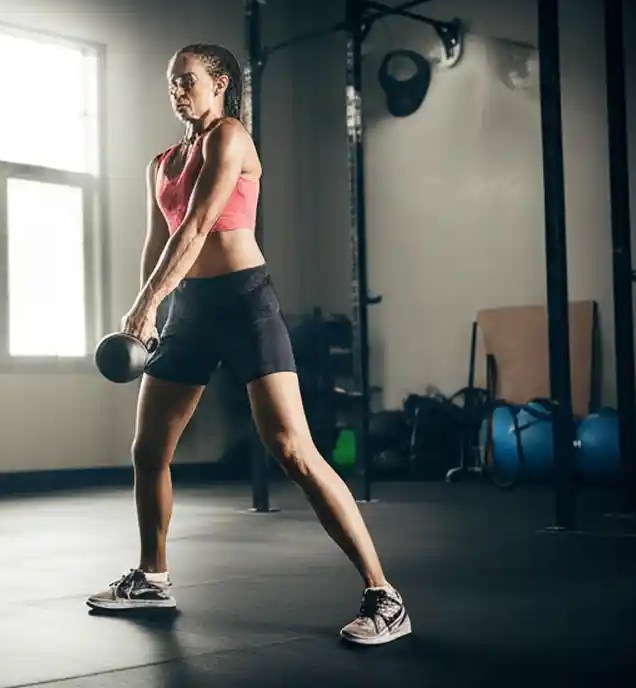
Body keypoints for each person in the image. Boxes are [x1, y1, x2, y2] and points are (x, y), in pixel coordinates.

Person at [85, 43, 411, 646]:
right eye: (170, 82)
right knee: (149, 447)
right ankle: (152, 576)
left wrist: (145, 303)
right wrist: (150, 311)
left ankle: (383, 594)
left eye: (187, 80)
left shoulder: (229, 136)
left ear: (221, 84)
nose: (177, 90)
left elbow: (199, 226)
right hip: (189, 309)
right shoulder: (161, 161)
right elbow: (157, 241)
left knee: (292, 447)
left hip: (243, 301)